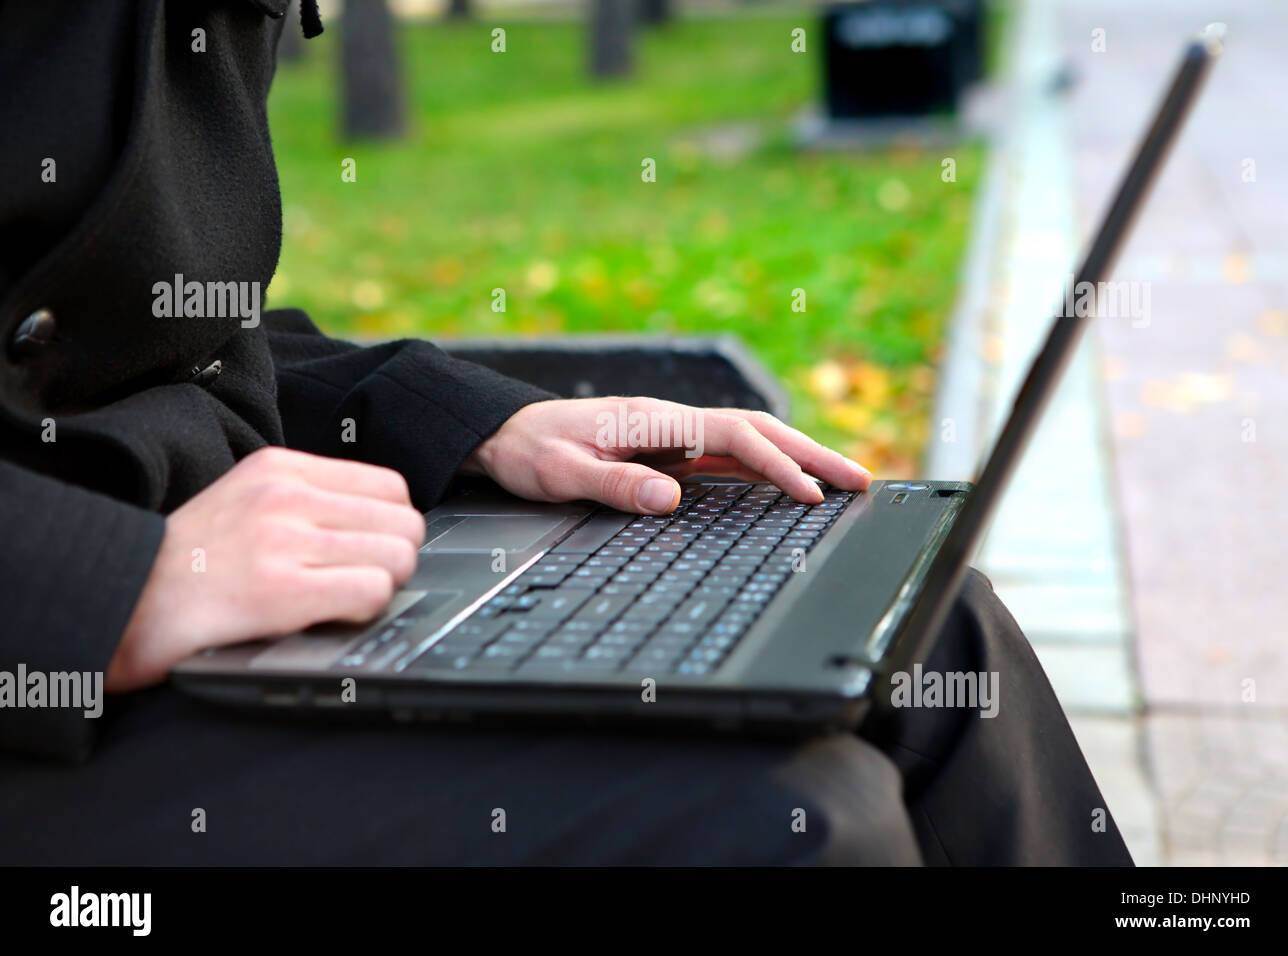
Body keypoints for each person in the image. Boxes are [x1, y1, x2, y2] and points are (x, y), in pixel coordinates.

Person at [0, 1, 1132, 865]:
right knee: (798, 817)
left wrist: (484, 420)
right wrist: (106, 590)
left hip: (204, 588)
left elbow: (138, 344)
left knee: (930, 635)